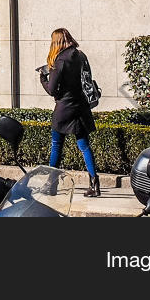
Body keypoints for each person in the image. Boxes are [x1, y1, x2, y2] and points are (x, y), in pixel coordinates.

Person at [39, 27, 100, 198]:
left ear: (56, 42)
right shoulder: (80, 56)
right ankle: (95, 185)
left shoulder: (60, 60)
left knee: (56, 145)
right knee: (85, 146)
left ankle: (51, 185)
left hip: (64, 109)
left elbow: (52, 90)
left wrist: (43, 78)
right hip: (81, 107)